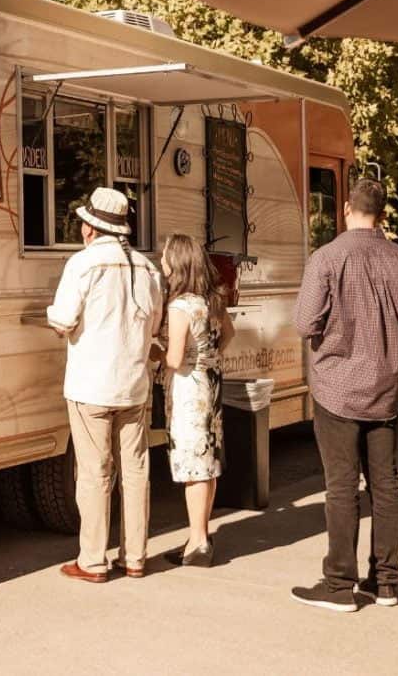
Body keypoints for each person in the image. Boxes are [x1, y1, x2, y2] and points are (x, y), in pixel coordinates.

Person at [290, 177, 398, 612]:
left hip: (338, 386)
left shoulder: (326, 257)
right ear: (382, 214)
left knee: (341, 486)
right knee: (386, 484)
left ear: (346, 208)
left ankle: (339, 584)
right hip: (384, 384)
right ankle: (385, 582)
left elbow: (306, 322)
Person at [46, 186, 163, 582]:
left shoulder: (83, 265)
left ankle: (93, 560)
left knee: (94, 473)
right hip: (134, 383)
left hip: (91, 386)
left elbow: (63, 320)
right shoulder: (148, 268)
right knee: (136, 472)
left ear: (90, 228)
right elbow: (156, 325)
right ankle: (135, 557)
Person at [158, 234, 235, 567]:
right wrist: (208, 357)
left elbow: (174, 358)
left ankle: (199, 543)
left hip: (189, 389)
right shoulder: (212, 299)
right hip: (211, 384)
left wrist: (153, 351)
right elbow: (229, 334)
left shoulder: (180, 306)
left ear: (177, 262)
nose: (161, 261)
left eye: (164, 256)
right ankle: (198, 535)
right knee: (208, 462)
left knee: (193, 467)